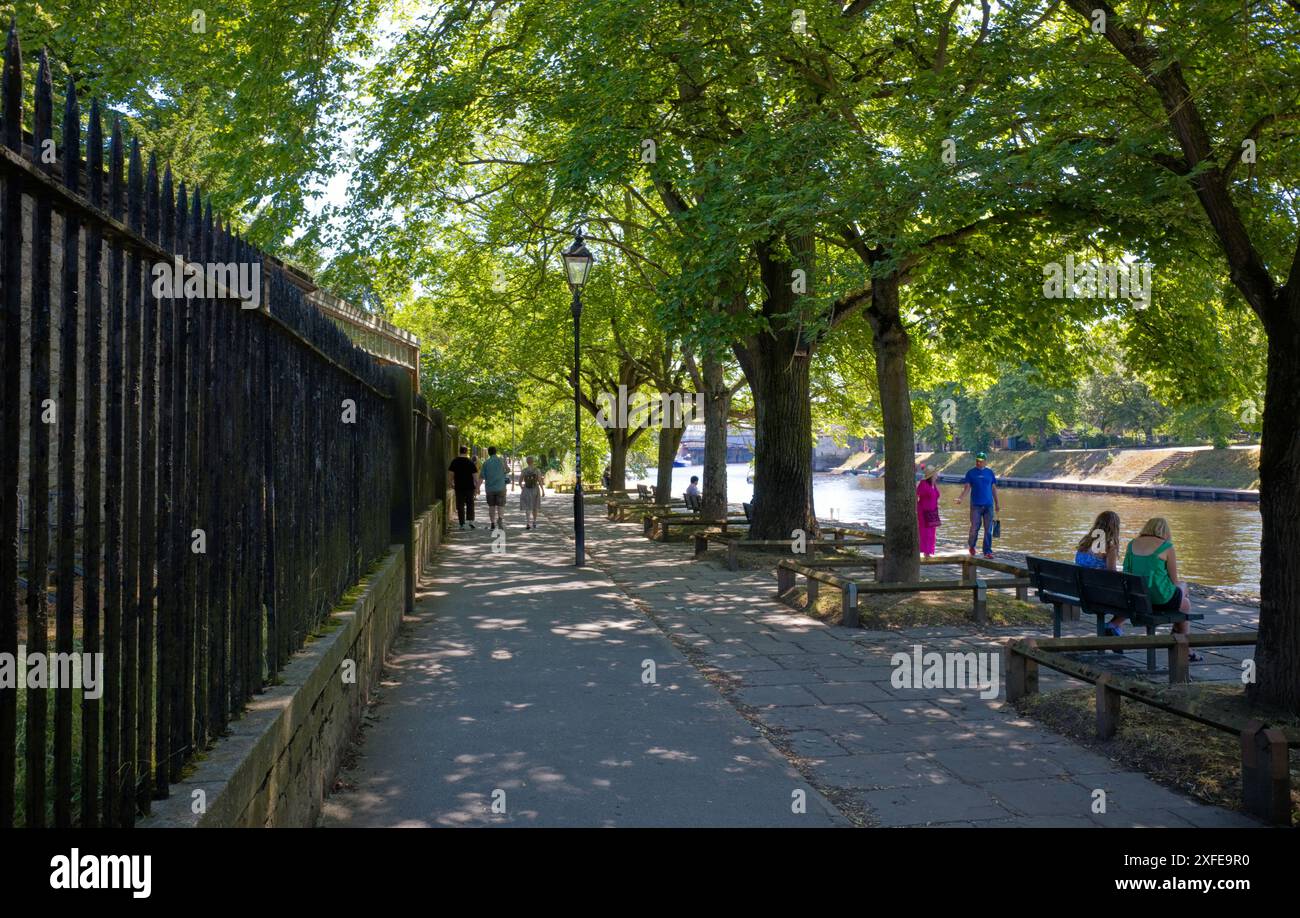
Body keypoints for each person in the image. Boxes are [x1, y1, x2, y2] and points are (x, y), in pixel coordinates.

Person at [1122, 517, 1200, 661]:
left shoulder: (1132, 544)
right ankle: (1184, 646)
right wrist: (1183, 587)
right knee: (1184, 594)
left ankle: (1180, 639)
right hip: (1161, 599)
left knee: (1185, 603)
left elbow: (1126, 572)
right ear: (1165, 531)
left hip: (1137, 599)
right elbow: (1174, 580)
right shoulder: (1166, 546)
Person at [1074, 510, 1125, 643]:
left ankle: (1115, 628)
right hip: (1097, 594)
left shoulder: (1084, 543)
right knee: (1131, 598)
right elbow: (1111, 574)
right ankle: (1113, 626)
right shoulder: (1110, 546)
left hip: (1080, 591)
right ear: (1115, 527)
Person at [955, 451, 999, 558]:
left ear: (985, 461)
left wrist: (997, 503)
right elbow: (967, 488)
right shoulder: (970, 473)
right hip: (976, 505)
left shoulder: (990, 472)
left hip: (989, 505)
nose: (978, 463)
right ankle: (972, 546)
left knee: (988, 529)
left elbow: (993, 488)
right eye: (977, 461)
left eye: (980, 461)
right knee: (975, 527)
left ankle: (987, 551)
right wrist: (960, 498)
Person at [447, 446, 479, 530]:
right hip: (469, 487)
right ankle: (471, 521)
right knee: (470, 504)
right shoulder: (470, 462)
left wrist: (450, 484)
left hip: (459, 487)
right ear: (467, 452)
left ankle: (462, 524)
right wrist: (477, 487)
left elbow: (450, 474)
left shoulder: (455, 461)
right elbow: (475, 476)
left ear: (459, 451)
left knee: (460, 505)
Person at [480, 446, 509, 531]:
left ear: (489, 453)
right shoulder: (501, 461)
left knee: (491, 506)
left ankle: (492, 523)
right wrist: (503, 472)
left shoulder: (486, 463)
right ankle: (500, 519)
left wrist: (477, 488)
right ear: (496, 452)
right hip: (501, 487)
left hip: (490, 488)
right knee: (501, 505)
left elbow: (481, 476)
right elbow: (508, 470)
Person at [916, 465, 941, 557]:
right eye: (936, 473)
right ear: (932, 475)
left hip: (933, 512)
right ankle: (923, 551)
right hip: (924, 511)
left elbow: (936, 496)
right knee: (925, 532)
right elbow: (916, 495)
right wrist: (916, 508)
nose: (937, 475)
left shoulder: (934, 484)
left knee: (932, 532)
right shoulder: (923, 484)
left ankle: (929, 551)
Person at [520, 455, 544, 529]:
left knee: (528, 507)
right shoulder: (537, 470)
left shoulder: (524, 470)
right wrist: (543, 490)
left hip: (527, 489)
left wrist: (522, 488)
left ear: (527, 462)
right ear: (533, 462)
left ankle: (527, 523)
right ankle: (534, 522)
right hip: (535, 489)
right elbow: (540, 481)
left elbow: (520, 481)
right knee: (535, 506)